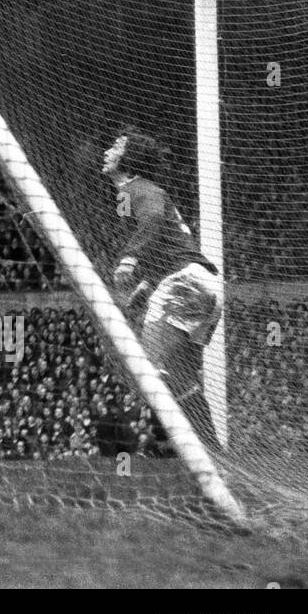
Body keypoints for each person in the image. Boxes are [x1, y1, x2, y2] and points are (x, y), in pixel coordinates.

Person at [103, 126, 221, 447]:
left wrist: (129, 256)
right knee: (179, 377)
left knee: (155, 369)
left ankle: (174, 449)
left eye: (117, 145)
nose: (109, 149)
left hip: (185, 282)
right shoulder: (132, 193)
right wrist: (143, 290)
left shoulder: (134, 188)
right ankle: (207, 454)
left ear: (130, 158)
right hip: (201, 284)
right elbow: (165, 249)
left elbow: (153, 219)